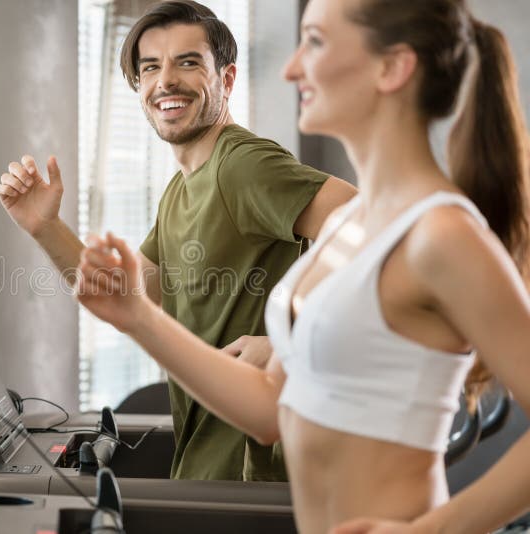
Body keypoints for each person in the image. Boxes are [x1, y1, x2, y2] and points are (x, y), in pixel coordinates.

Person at [76, 0, 530, 531]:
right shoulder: (347, 228)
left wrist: (432, 531)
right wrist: (137, 317)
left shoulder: (439, 234)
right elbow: (270, 413)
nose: (291, 68)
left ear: (392, 67)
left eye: (314, 41)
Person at [0, 1, 356, 482]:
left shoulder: (242, 165)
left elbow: (377, 230)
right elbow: (129, 297)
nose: (165, 80)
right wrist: (45, 226)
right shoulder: (181, 189)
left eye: (188, 62)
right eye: (150, 67)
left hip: (253, 473)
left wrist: (294, 344)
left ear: (225, 80)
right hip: (204, 457)